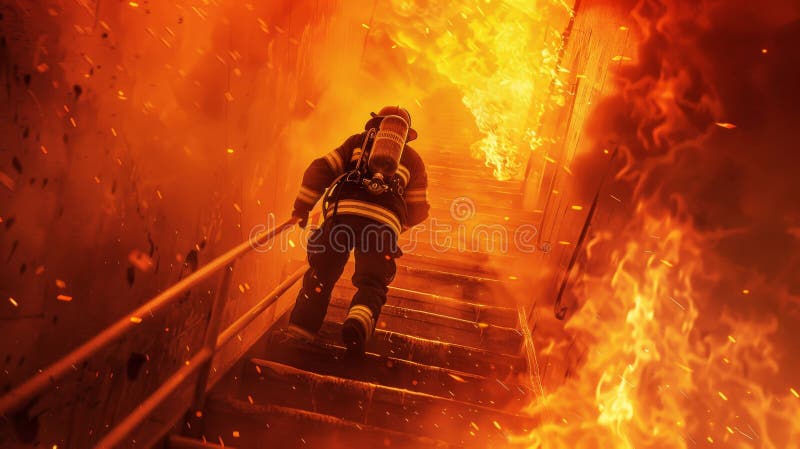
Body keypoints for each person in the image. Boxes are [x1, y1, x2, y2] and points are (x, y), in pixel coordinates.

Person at [287, 106, 430, 356]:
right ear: (407, 134)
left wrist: (302, 207)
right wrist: (395, 228)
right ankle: (358, 323)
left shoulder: (356, 142)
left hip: (342, 217)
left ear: (375, 124)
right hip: (382, 226)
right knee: (373, 281)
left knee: (322, 273)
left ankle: (300, 332)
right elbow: (419, 209)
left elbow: (320, 169)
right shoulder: (414, 160)